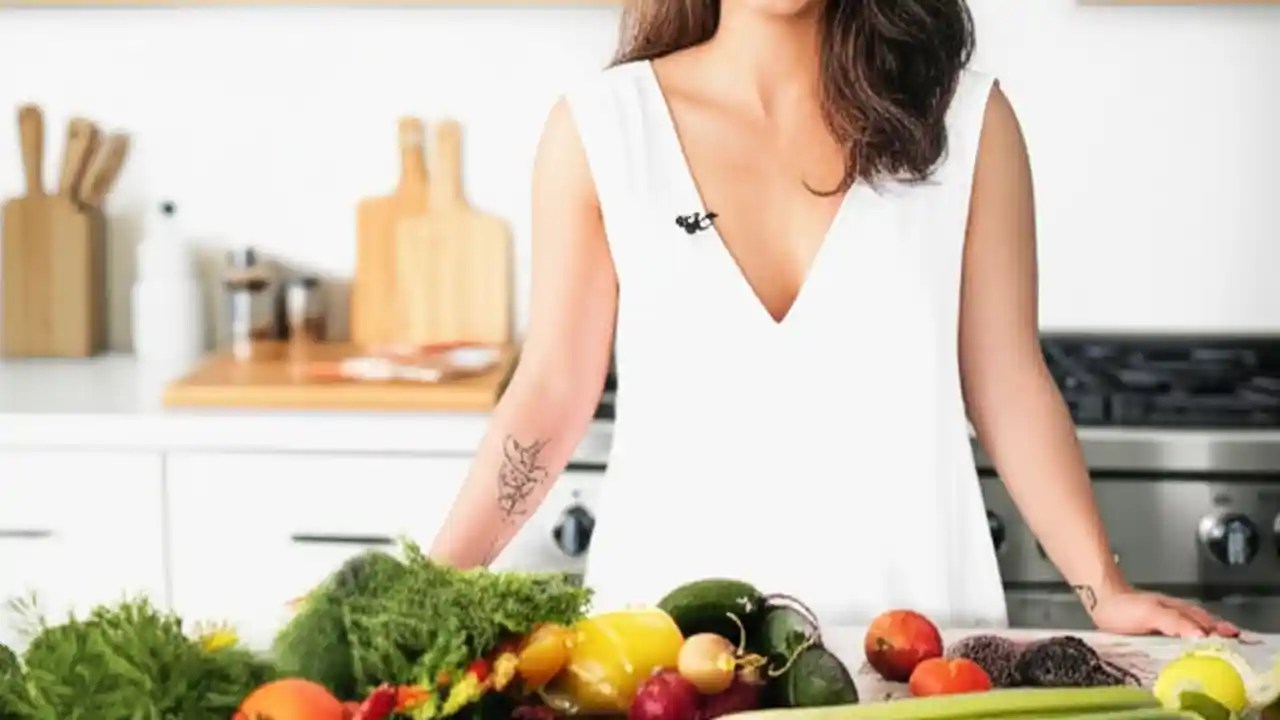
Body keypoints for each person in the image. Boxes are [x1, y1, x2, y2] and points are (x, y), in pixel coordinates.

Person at [429, 0, 1239, 639]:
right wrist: (430, 590)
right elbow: (552, 390)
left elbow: (1009, 384)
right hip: (660, 653)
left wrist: (1107, 589)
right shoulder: (603, 129)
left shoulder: (967, 123)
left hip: (918, 647)